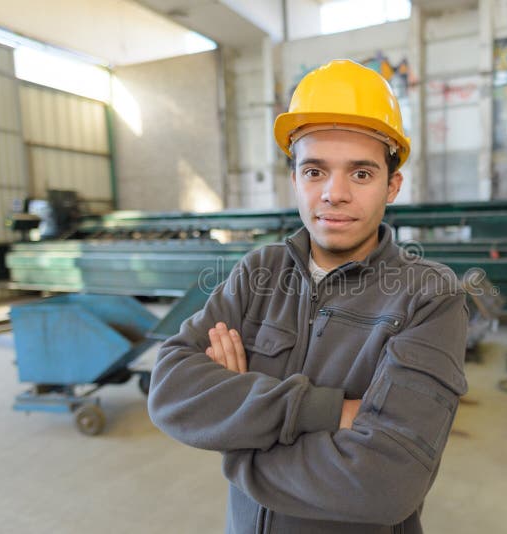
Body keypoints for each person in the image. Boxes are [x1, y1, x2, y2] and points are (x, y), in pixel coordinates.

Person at [148, 59, 469, 534]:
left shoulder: (428, 296)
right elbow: (171, 391)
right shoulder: (260, 272)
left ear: (392, 185)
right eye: (315, 171)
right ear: (295, 179)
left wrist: (238, 447)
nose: (334, 194)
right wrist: (330, 411)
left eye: (360, 174)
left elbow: (384, 485)